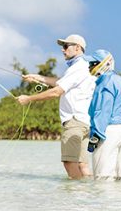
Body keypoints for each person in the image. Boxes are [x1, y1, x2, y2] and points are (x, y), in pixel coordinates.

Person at [17, 34, 96, 179]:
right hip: (84, 122)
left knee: (69, 162)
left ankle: (76, 196)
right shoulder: (84, 67)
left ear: (77, 48)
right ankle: (87, 197)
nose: (62, 50)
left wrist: (29, 99)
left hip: (74, 122)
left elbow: (56, 91)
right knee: (82, 165)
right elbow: (61, 82)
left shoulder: (77, 68)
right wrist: (37, 77)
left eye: (66, 46)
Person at [86, 49, 121, 180]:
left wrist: (95, 136)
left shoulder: (105, 83)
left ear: (104, 64)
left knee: (103, 178)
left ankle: (104, 201)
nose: (89, 67)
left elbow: (103, 111)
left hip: (110, 131)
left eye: (93, 63)